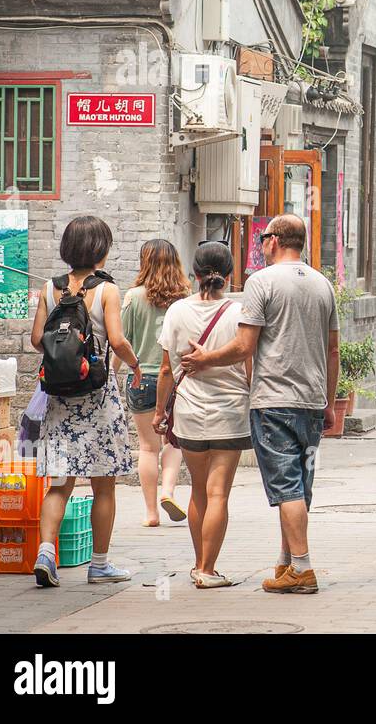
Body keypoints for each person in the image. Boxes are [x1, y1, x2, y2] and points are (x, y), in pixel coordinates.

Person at [181, 214, 338, 594]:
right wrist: (329, 402)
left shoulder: (261, 282)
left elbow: (243, 347)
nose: (261, 243)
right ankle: (285, 566)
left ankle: (302, 568)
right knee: (299, 486)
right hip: (312, 400)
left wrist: (205, 359)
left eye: (263, 237)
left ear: (274, 241)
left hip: (274, 400)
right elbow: (333, 350)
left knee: (286, 487)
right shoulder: (322, 284)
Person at [30, 216, 141, 587]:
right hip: (96, 398)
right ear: (100, 250)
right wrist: (134, 365)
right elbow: (117, 339)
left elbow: (36, 340)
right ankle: (100, 564)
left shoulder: (50, 288)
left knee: (60, 483)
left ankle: (46, 553)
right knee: (103, 485)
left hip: (60, 398)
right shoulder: (107, 290)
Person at [154, 242, 251, 588]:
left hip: (189, 411)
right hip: (230, 410)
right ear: (228, 276)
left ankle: (199, 564)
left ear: (194, 275)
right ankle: (208, 571)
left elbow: (166, 370)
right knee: (218, 493)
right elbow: (249, 364)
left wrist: (157, 414)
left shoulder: (177, 311)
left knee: (197, 489)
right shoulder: (239, 312)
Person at [121, 238, 191, 526]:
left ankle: (151, 514)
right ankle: (168, 491)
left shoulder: (132, 297)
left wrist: (115, 373)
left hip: (139, 378)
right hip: (174, 379)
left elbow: (121, 341)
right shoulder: (186, 297)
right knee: (172, 441)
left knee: (147, 447)